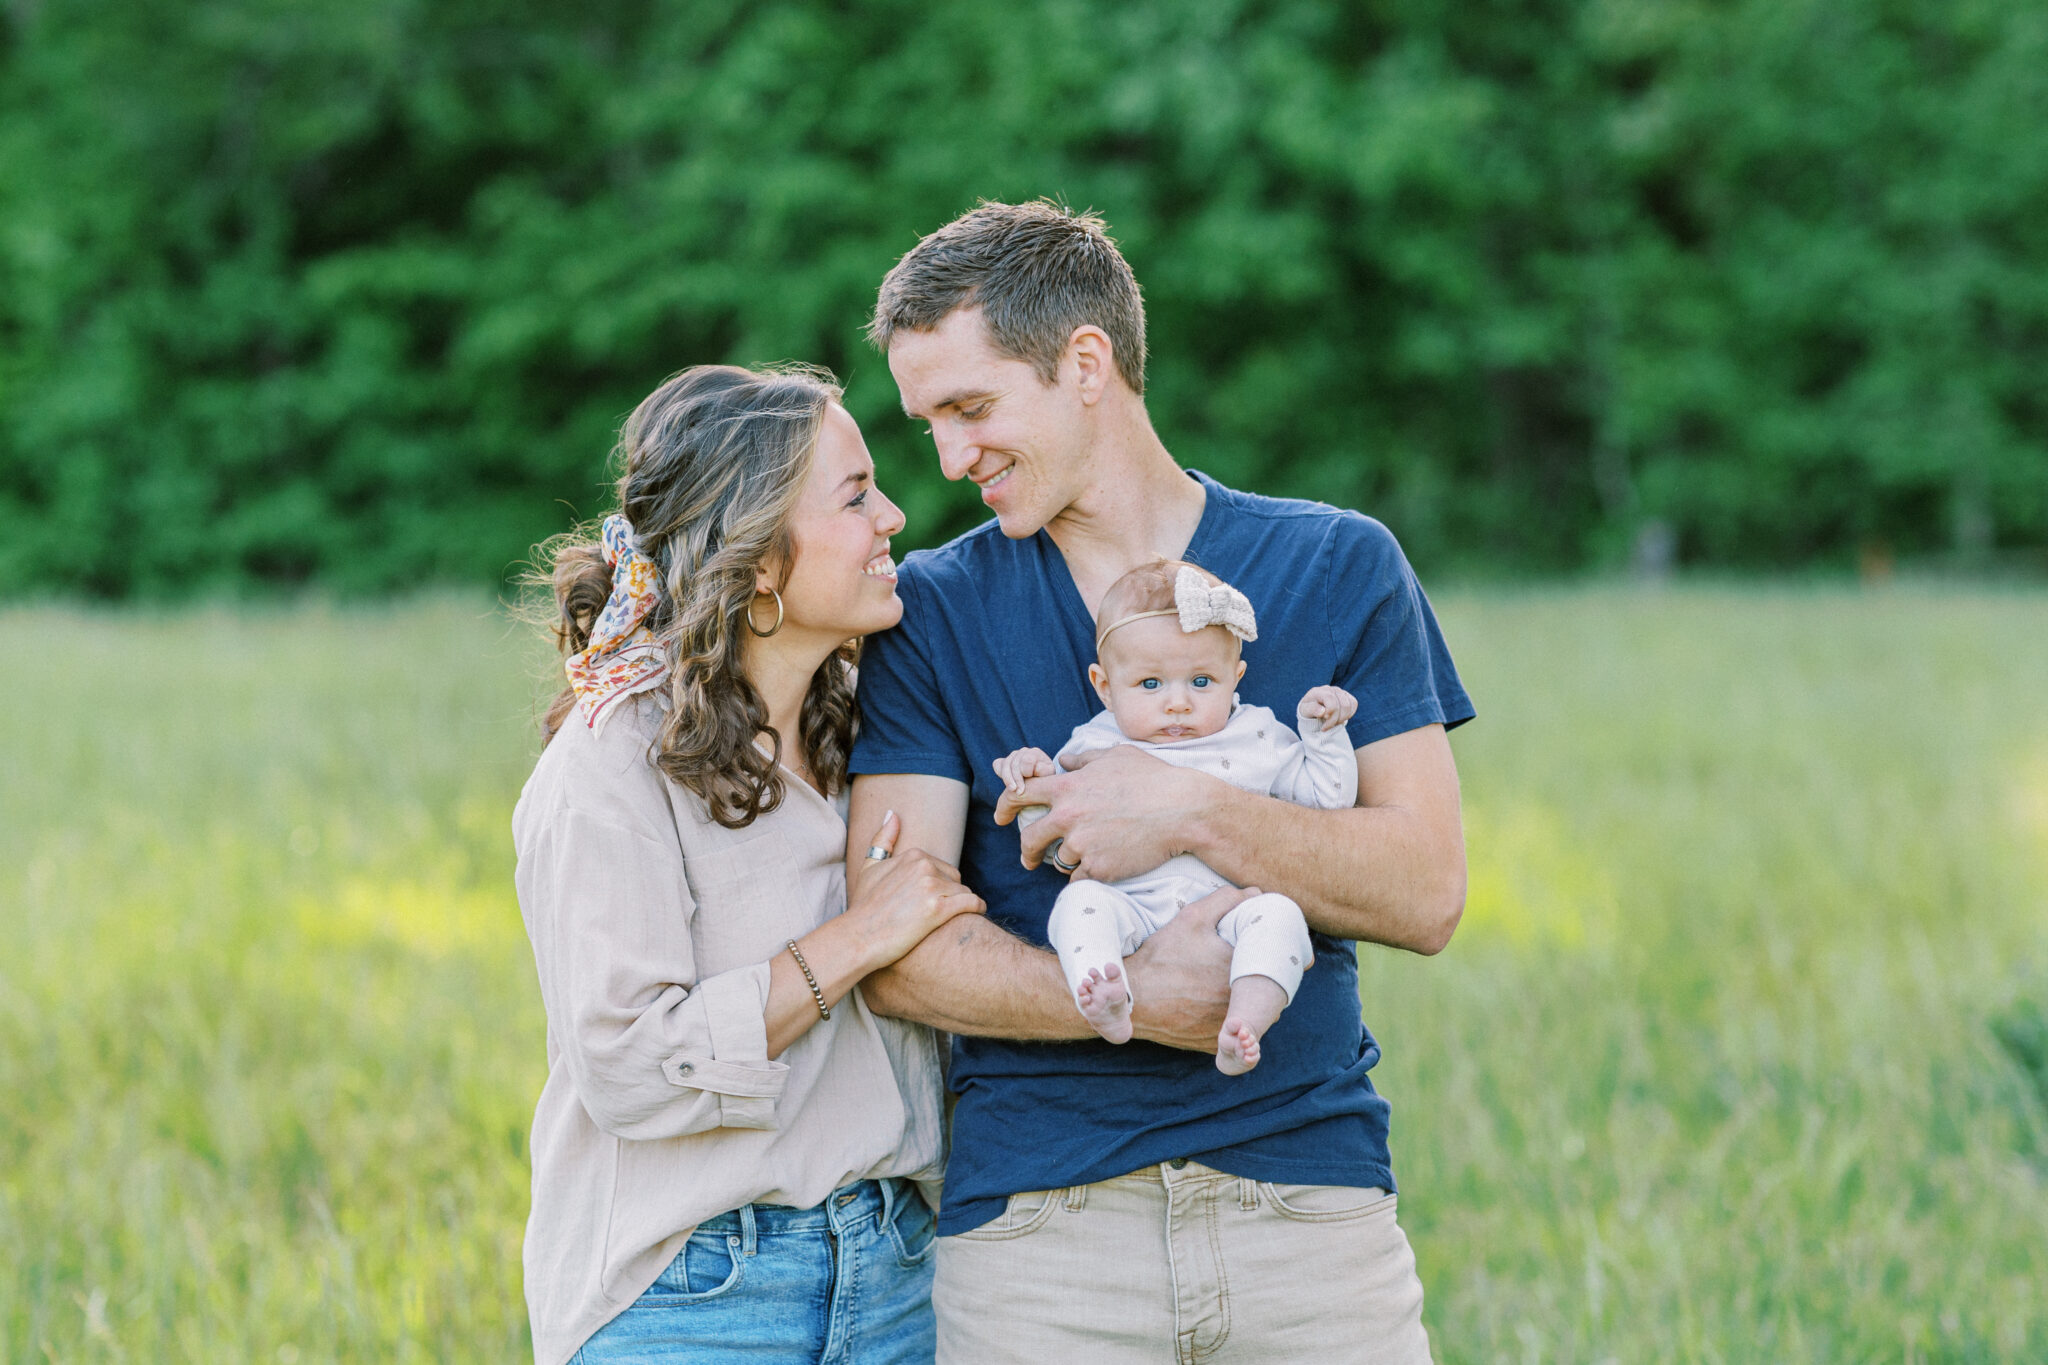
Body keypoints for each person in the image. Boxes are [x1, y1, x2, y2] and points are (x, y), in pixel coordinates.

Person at [846, 201, 1475, 1363]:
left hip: (1311, 1215)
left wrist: (1185, 806)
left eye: (969, 408)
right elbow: (889, 949)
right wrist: (1129, 996)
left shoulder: (1338, 565)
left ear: (1086, 364)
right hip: (1039, 1237)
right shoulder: (926, 614)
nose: (944, 457)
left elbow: (1427, 889)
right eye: (925, 421)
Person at [512, 363, 984, 1365]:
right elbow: (630, 1067)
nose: (895, 515)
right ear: (760, 557)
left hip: (898, 1279)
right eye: (856, 496)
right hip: (694, 1296)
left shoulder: (881, 728)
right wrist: (858, 938)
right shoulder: (608, 766)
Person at [992, 559, 1355, 1073]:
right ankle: (1103, 990)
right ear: (1104, 685)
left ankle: (1246, 1022)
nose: (1178, 704)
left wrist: (1323, 736)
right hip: (1130, 911)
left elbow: (1327, 802)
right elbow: (1054, 841)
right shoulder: (1094, 743)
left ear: (1236, 679)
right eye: (1149, 684)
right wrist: (1030, 780)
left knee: (1281, 919)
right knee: (1079, 904)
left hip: (1232, 912)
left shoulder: (1257, 734)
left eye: (1202, 681)